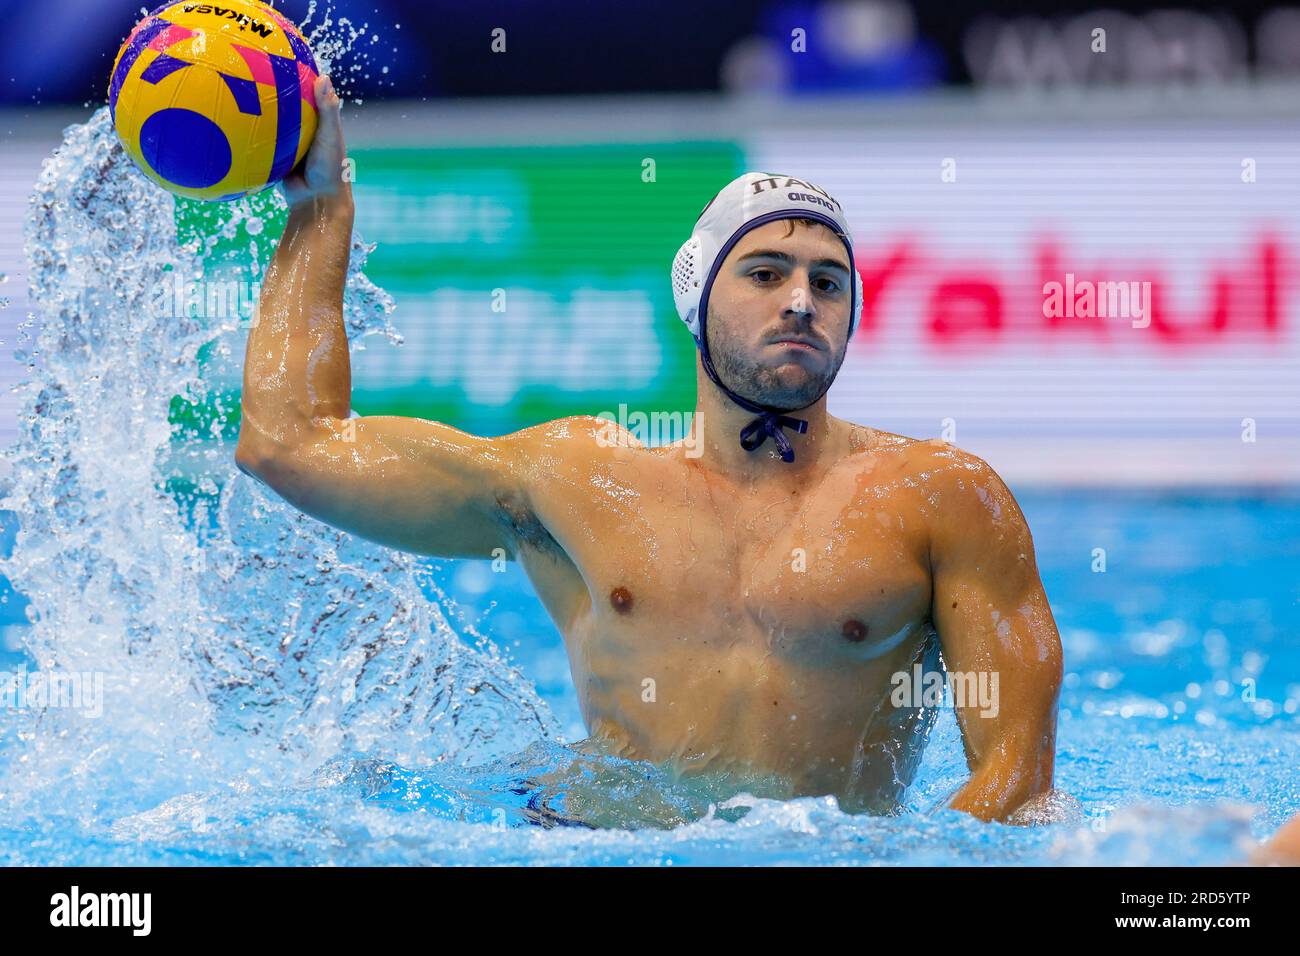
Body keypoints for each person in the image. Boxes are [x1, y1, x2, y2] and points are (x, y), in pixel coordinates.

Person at [235, 75, 1065, 823]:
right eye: (765, 273)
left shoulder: (942, 498)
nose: (801, 302)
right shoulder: (577, 480)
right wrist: (322, 211)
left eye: (827, 281)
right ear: (696, 299)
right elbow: (289, 444)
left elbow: (1016, 786)